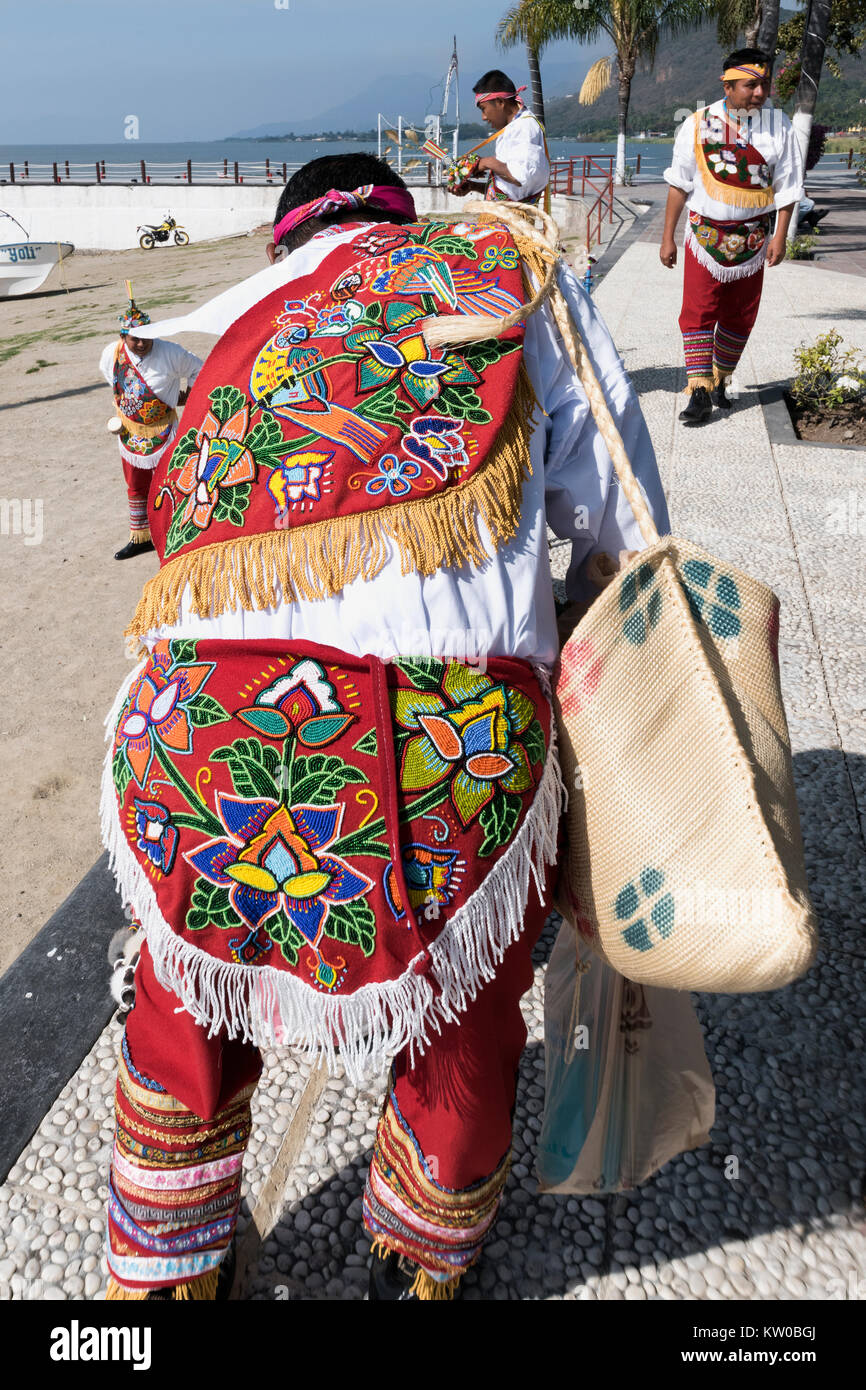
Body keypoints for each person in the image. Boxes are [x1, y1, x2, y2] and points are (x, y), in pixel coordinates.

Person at [99, 152, 668, 1301]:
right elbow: (627, 521)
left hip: (205, 738)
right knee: (461, 1009)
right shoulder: (515, 269)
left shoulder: (230, 331)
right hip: (441, 755)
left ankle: (163, 1276)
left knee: (189, 990)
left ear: (284, 241)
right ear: (405, 221)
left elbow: (173, 534)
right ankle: (414, 1263)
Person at [660, 47, 804, 425]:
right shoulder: (697, 124)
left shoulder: (780, 125)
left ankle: (722, 378)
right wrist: (667, 237)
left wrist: (780, 236)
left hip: (754, 240)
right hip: (705, 237)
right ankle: (700, 390)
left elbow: (789, 186)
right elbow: (678, 184)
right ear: (727, 85)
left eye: (764, 84)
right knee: (698, 311)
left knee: (740, 315)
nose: (759, 92)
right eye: (750, 85)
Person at [99, 291, 203, 558]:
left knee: (171, 480)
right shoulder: (112, 353)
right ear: (122, 338)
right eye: (135, 339)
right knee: (135, 485)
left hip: (163, 431)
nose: (142, 344)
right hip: (130, 432)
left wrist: (186, 398)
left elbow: (198, 369)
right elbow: (111, 379)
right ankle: (141, 535)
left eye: (147, 338)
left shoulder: (170, 352)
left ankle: (175, 531)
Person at [451, 69, 550, 206]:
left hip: (510, 222)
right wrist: (474, 186)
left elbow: (521, 177)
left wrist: (486, 163)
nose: (483, 117)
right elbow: (512, 191)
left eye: (483, 109)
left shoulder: (524, 127)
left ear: (500, 102)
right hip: (504, 218)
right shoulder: (515, 126)